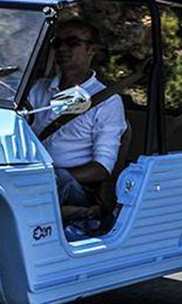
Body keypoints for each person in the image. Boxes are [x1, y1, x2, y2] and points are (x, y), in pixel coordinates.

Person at [26, 18, 127, 235]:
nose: (62, 48)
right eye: (57, 43)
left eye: (71, 42)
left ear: (92, 49)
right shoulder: (38, 89)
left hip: (75, 187)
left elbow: (102, 168)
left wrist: (50, 177)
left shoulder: (107, 102)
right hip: (30, 175)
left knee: (58, 180)